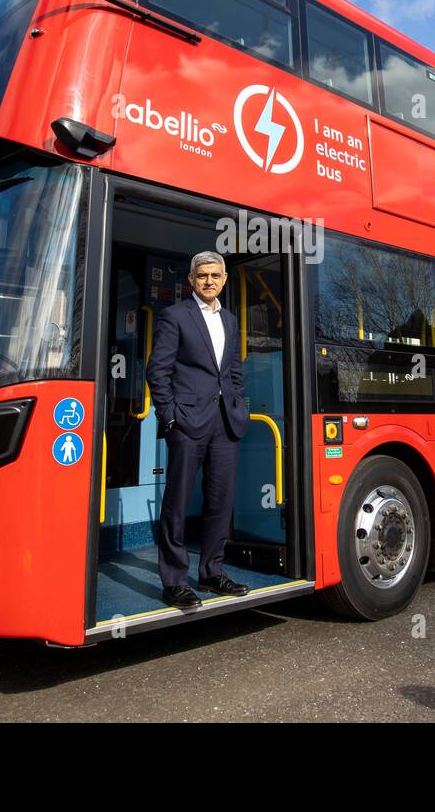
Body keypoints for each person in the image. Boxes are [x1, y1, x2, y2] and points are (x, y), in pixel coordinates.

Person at [146, 251, 250, 607]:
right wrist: (170, 416)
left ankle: (211, 573)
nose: (209, 281)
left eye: (215, 275)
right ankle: (174, 581)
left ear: (223, 279)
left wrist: (238, 404)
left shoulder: (231, 321)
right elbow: (157, 370)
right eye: (202, 275)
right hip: (187, 422)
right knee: (177, 502)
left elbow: (233, 371)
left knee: (221, 502)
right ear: (190, 280)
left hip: (225, 422)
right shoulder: (174, 316)